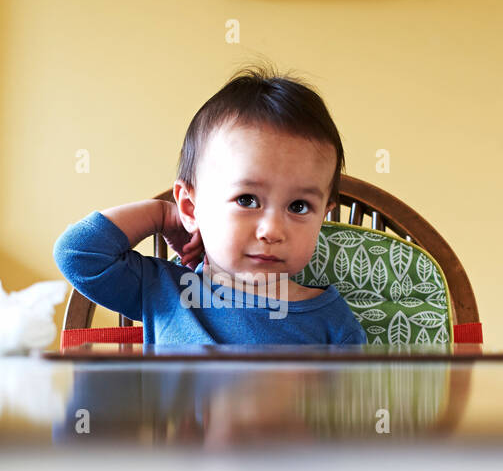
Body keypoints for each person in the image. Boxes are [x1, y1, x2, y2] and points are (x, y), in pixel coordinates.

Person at [54, 66, 366, 345]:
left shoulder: (333, 323)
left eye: (298, 207)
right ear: (190, 208)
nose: (272, 230)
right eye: (247, 200)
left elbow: (355, 408)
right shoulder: (165, 290)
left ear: (323, 217)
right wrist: (162, 215)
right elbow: (77, 253)